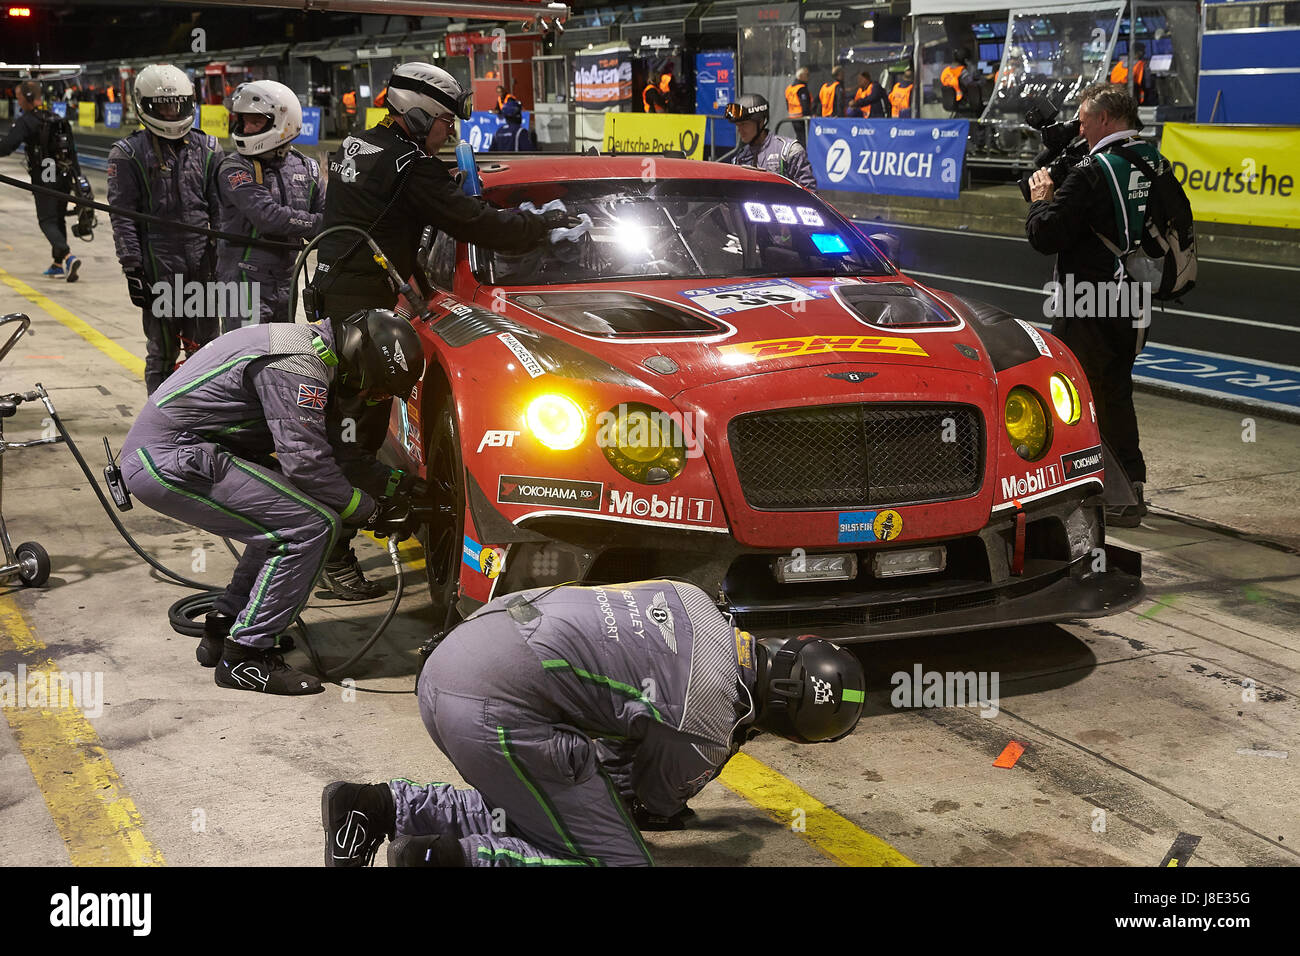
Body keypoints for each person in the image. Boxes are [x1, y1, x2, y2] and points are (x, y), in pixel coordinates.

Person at [320, 580, 866, 866]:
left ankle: (375, 807)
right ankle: (444, 860)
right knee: (615, 860)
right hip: (496, 710)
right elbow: (652, 801)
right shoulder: (711, 716)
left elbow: (610, 652)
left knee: (543, 799)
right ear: (792, 723)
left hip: (454, 662)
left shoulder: (692, 599)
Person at [309, 61, 574, 599]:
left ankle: (331, 540)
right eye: (445, 123)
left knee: (339, 428)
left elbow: (392, 217)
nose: (450, 133)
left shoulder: (361, 144)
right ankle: (330, 552)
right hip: (364, 318)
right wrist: (543, 222)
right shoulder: (411, 166)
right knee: (352, 437)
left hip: (335, 300)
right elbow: (482, 226)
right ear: (420, 113)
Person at [120, 310, 425, 695]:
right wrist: (373, 512)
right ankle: (245, 656)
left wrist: (397, 485)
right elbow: (308, 467)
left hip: (182, 453)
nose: (367, 398)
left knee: (294, 516)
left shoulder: (315, 353)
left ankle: (226, 625)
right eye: (376, 390)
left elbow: (335, 453)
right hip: (168, 458)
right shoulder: (299, 365)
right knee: (310, 527)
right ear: (365, 363)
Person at [1025, 84, 1160, 527]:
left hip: (1089, 301)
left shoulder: (1092, 171)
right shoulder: (1154, 160)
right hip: (1135, 295)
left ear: (1105, 120)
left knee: (1071, 392)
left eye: (1084, 120)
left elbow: (1046, 236)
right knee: (1117, 390)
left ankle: (1083, 487)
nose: (1079, 128)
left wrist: (1042, 199)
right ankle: (1130, 489)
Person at [107, 64, 224, 395]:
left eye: (177, 105)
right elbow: (123, 216)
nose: (172, 112)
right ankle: (159, 428)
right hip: (158, 267)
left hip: (204, 265)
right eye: (163, 107)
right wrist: (132, 268)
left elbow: (222, 212)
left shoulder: (209, 148)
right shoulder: (127, 154)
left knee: (208, 352)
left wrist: (224, 261)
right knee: (162, 355)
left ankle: (206, 424)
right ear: (145, 106)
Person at [215, 80, 324, 330]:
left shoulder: (308, 168)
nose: (247, 127)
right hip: (243, 279)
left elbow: (329, 216)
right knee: (243, 360)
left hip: (287, 278)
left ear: (282, 122)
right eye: (244, 121)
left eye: (256, 121)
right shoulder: (234, 167)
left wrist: (324, 224)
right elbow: (267, 216)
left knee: (279, 358)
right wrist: (316, 224)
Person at [0, 80, 83, 282]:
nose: (18, 101)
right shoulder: (57, 118)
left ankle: (67, 256)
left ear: (28, 98)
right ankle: (57, 265)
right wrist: (78, 179)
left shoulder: (27, 120)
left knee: (46, 221)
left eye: (19, 97)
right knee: (58, 218)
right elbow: (72, 151)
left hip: (44, 179)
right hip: (64, 177)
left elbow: (6, 147)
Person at [724, 93, 818, 193]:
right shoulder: (739, 158)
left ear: (761, 122)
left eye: (744, 124)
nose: (740, 130)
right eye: (737, 125)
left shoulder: (789, 151)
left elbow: (809, 193)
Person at [940, 48, 982, 116]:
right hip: (963, 103)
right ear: (966, 60)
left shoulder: (946, 71)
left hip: (952, 103)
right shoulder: (962, 72)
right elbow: (972, 86)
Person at [785, 66, 812, 145]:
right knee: (804, 139)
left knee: (800, 137)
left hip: (793, 117)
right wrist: (808, 116)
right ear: (801, 76)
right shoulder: (801, 88)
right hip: (802, 117)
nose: (808, 77)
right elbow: (805, 105)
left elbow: (787, 103)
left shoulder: (789, 88)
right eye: (807, 75)